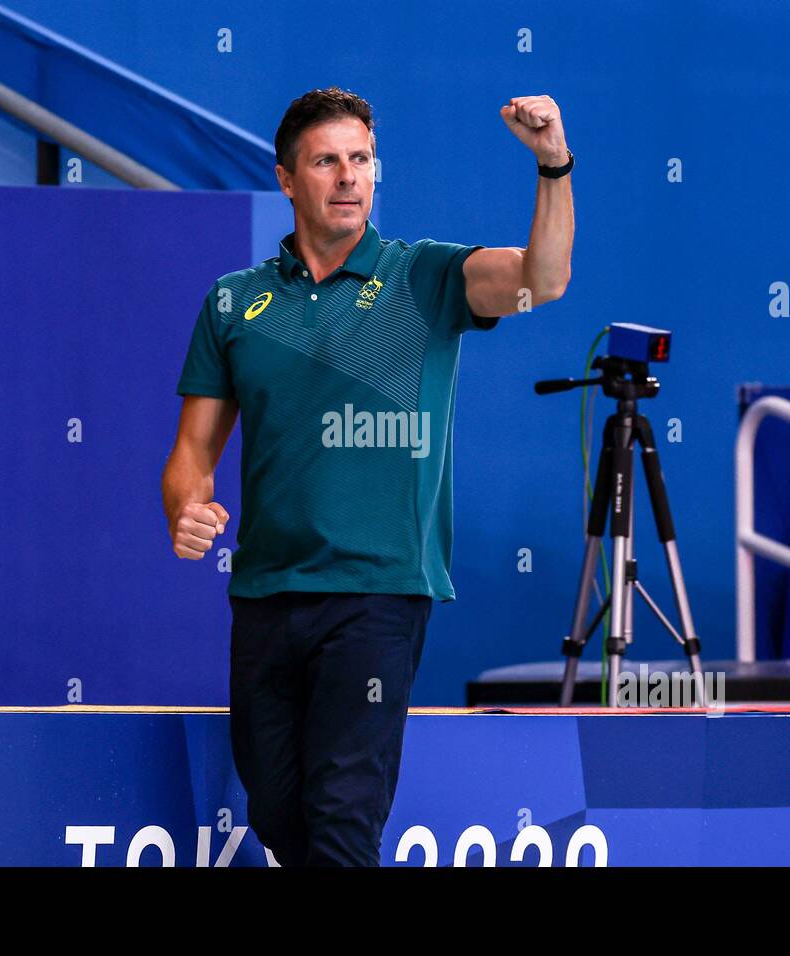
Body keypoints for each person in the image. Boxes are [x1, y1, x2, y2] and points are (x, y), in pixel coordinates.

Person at [162, 87, 574, 865]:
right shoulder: (232, 302)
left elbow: (542, 280)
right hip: (264, 597)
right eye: (327, 161)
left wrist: (553, 164)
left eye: (361, 160)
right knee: (280, 815)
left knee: (342, 819)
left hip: (378, 595)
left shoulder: (425, 278)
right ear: (287, 179)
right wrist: (186, 507)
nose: (349, 177)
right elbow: (192, 455)